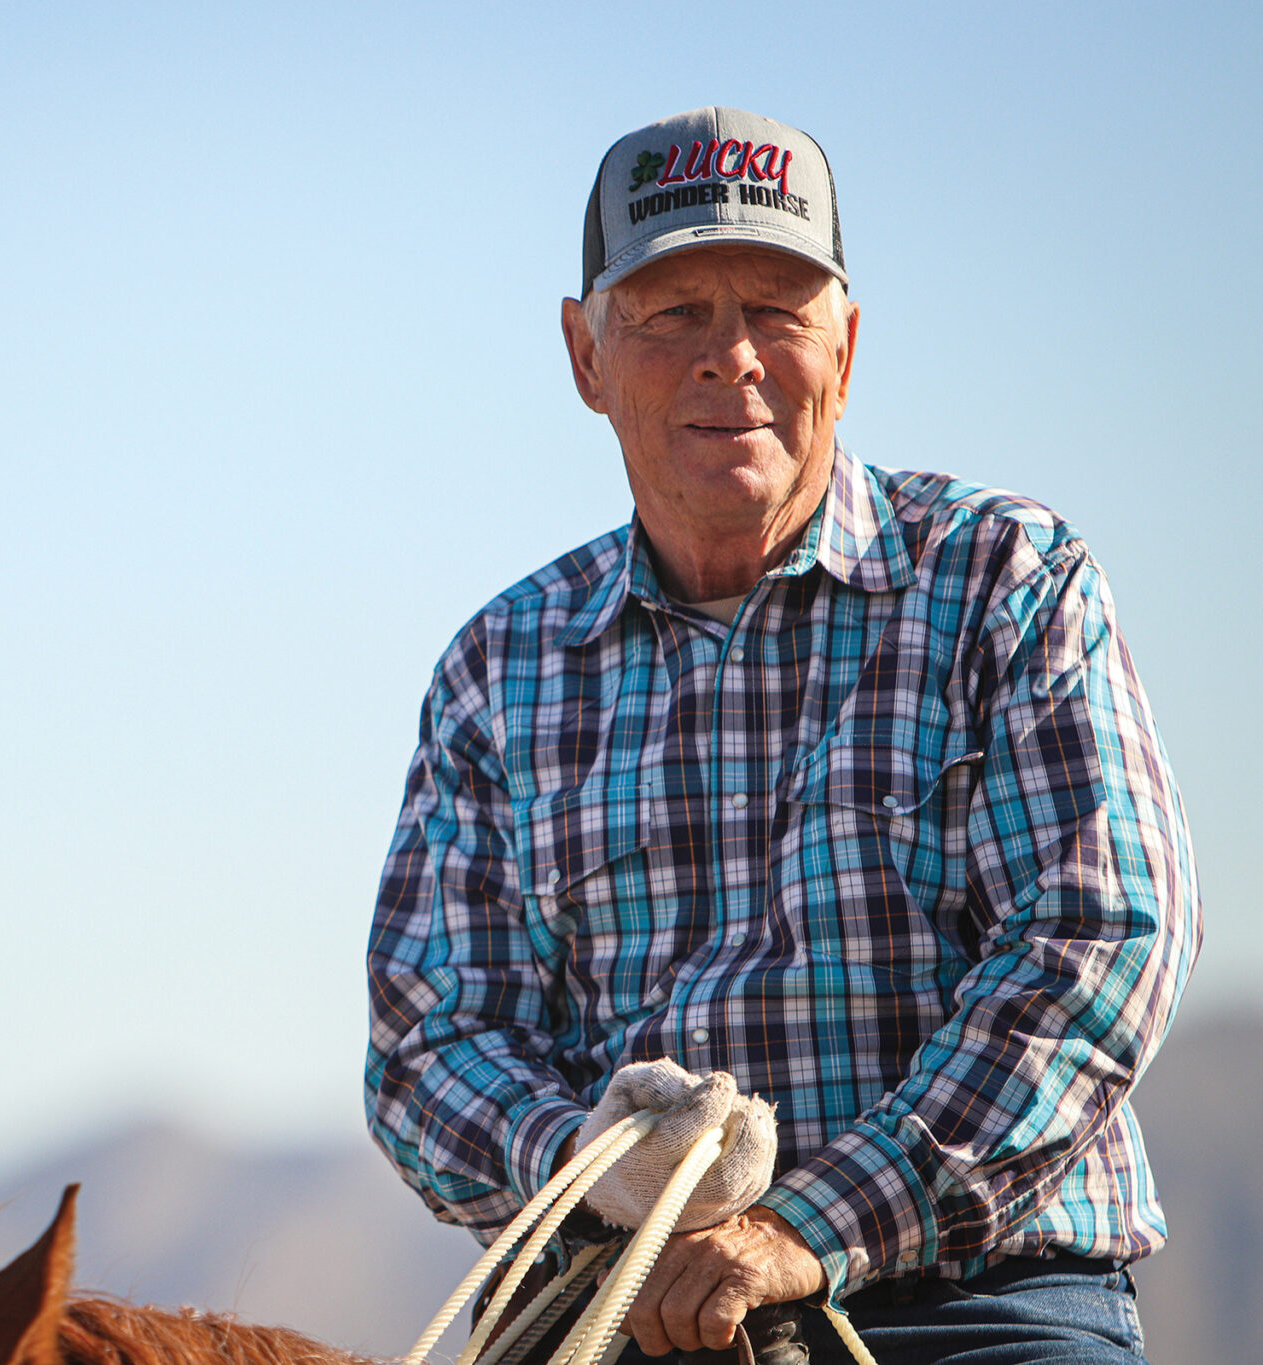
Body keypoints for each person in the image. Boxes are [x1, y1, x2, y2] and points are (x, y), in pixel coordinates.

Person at [363, 107, 1200, 1365]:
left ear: (844, 349)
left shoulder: (1003, 581)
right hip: (618, 1312)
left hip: (975, 1306)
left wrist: (809, 1227)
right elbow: (429, 1039)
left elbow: (1099, 938)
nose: (730, 358)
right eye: (671, 313)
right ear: (585, 357)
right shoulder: (501, 666)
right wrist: (597, 1171)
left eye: (774, 309)